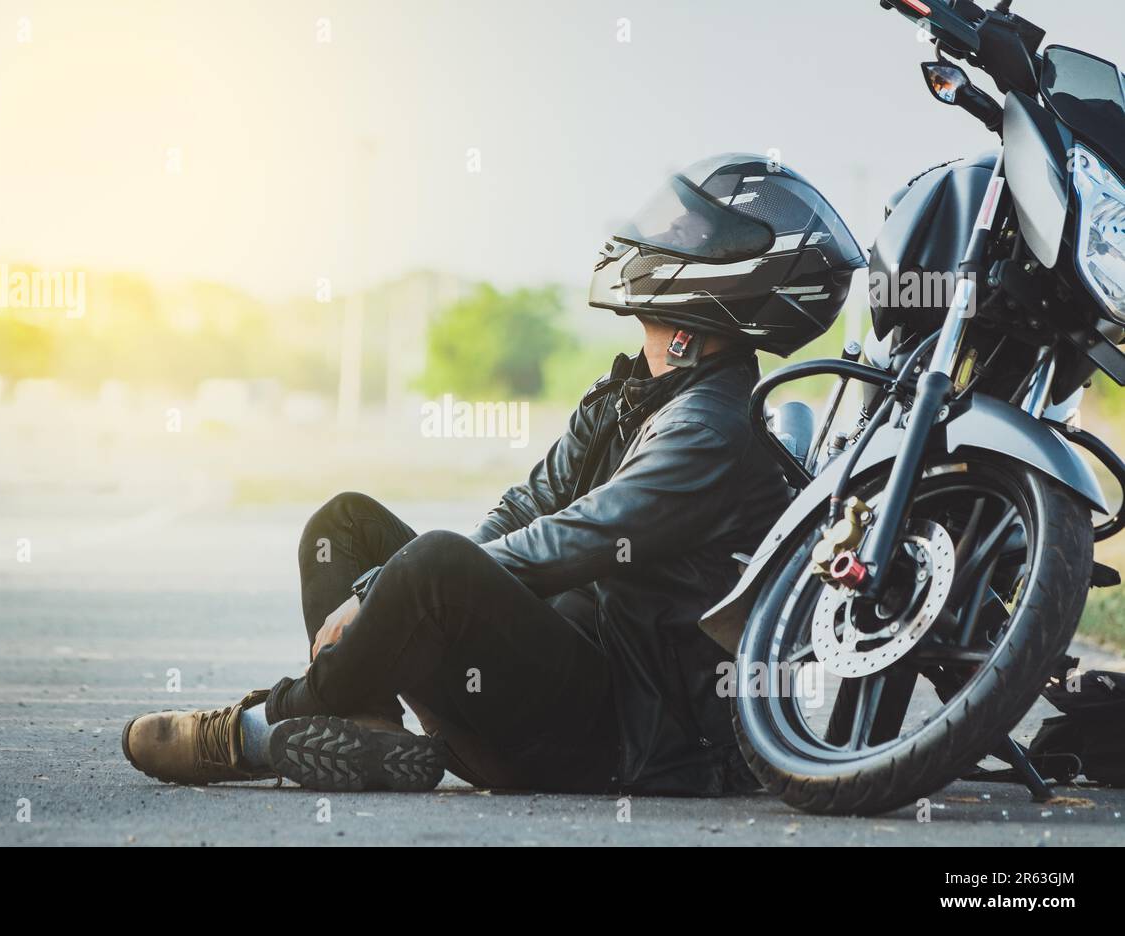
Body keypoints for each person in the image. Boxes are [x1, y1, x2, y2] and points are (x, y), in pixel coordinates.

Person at [122, 153, 866, 795]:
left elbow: (574, 540)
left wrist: (390, 592)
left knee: (435, 560)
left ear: (719, 279)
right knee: (347, 525)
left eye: (680, 233)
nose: (649, 237)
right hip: (536, 692)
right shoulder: (635, 393)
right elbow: (526, 507)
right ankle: (365, 722)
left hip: (610, 738)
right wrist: (405, 593)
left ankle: (252, 732)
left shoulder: (710, 429)